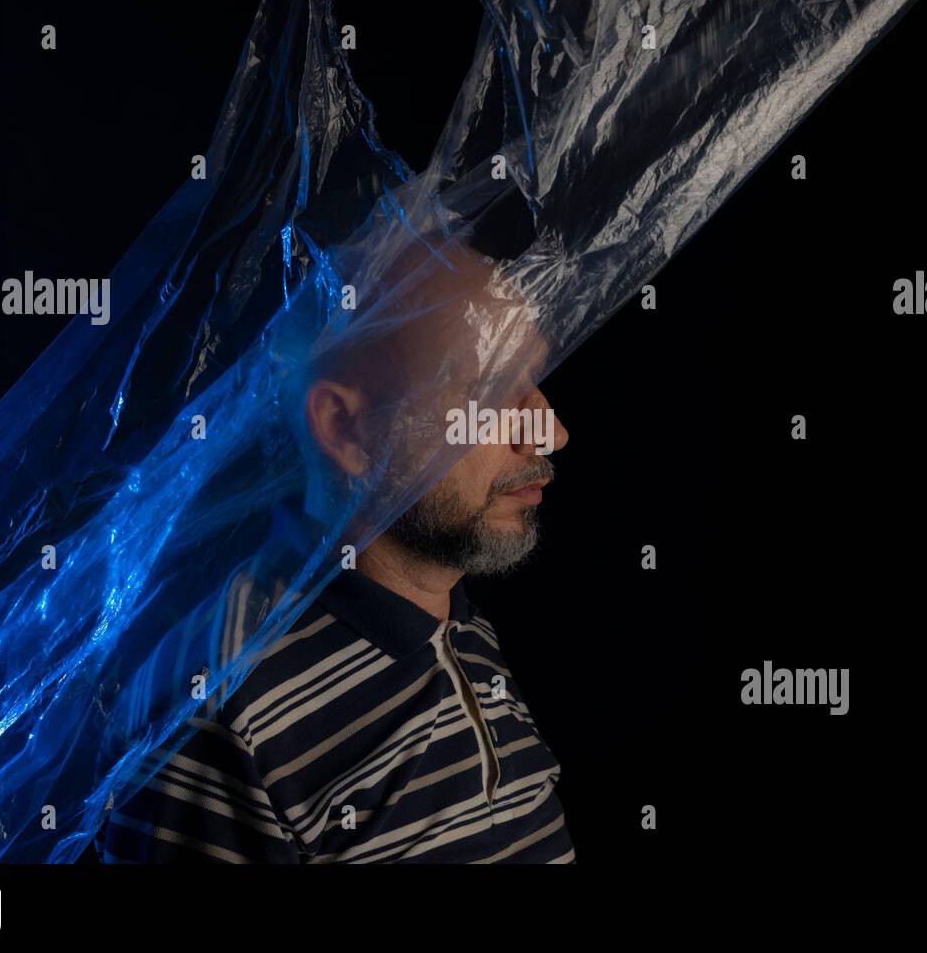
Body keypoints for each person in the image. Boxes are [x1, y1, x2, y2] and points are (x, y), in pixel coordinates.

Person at [100, 239, 576, 863]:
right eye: (490, 392)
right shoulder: (215, 705)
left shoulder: (456, 619)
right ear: (345, 428)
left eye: (533, 380)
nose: (551, 433)